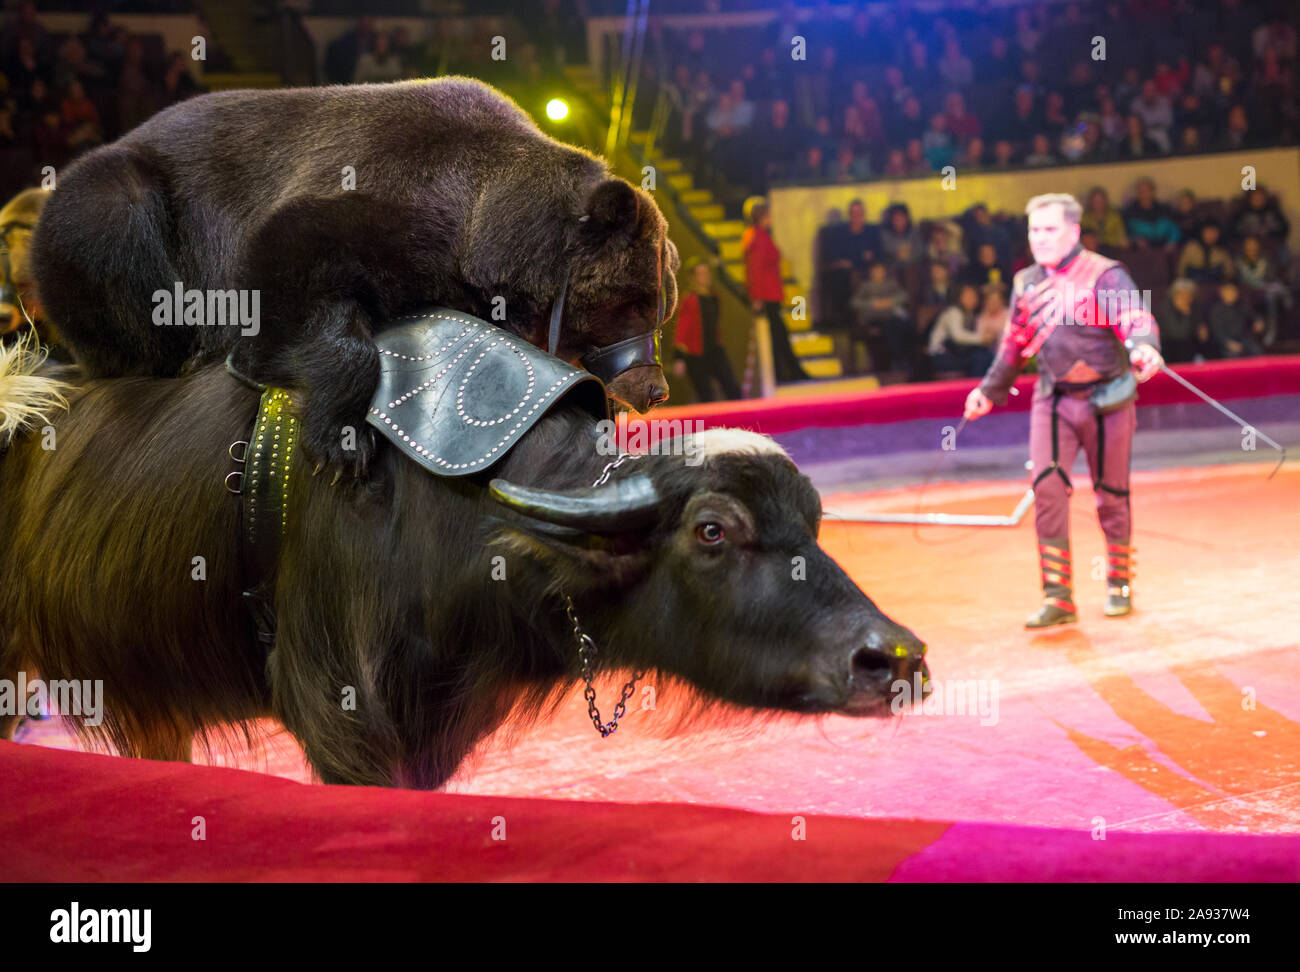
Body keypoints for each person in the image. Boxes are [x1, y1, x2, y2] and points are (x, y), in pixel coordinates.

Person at [964, 193, 1162, 628]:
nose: (1040, 238)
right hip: (1053, 401)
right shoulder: (1025, 282)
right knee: (1047, 489)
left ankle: (1119, 586)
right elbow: (1014, 344)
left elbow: (1135, 317)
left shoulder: (1106, 274)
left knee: (1112, 495)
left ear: (1074, 231)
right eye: (1034, 230)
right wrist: (989, 390)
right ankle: (1058, 597)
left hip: (1108, 399)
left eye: (1050, 229)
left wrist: (1144, 349)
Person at [742, 197, 808, 384]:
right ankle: (790, 373)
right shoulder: (756, 237)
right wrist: (756, 297)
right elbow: (755, 269)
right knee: (779, 336)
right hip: (766, 296)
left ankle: (787, 372)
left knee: (778, 336)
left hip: (769, 294)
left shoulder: (759, 235)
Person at [672, 258, 741, 403]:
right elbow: (682, 328)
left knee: (733, 389)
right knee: (707, 397)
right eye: (700, 274)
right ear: (693, 278)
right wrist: (679, 358)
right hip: (696, 356)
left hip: (715, 350)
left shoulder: (715, 297)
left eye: (706, 273)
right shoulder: (690, 299)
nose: (705, 276)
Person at [928, 283, 997, 377]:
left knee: (984, 355)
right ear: (960, 297)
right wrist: (982, 338)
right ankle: (976, 387)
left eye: (974, 296)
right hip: (942, 356)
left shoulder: (970, 314)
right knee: (980, 358)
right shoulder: (954, 312)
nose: (972, 299)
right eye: (968, 296)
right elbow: (958, 336)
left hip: (956, 353)